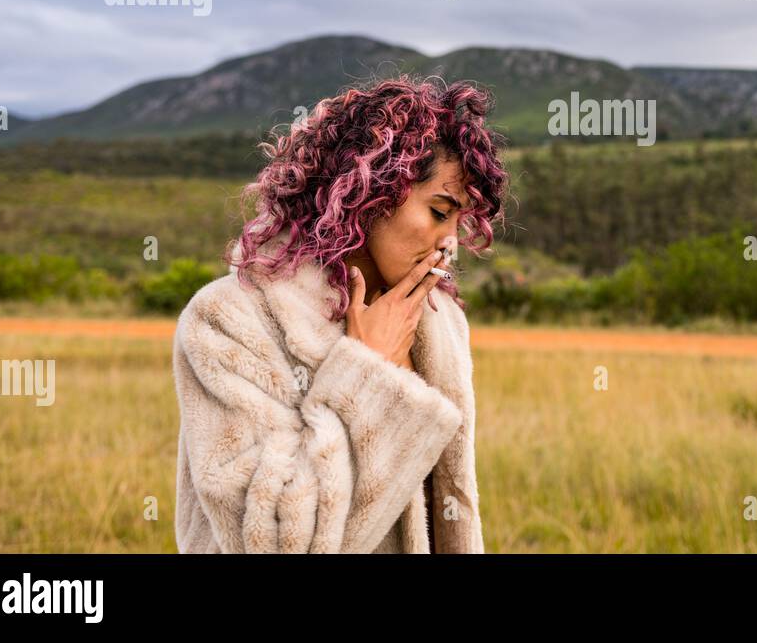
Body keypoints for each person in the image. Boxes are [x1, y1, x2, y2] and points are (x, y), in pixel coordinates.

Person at [172, 75, 508, 553]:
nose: (450, 241)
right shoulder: (229, 320)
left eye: (460, 220)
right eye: (439, 211)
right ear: (371, 192)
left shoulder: (439, 320)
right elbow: (267, 542)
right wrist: (368, 369)